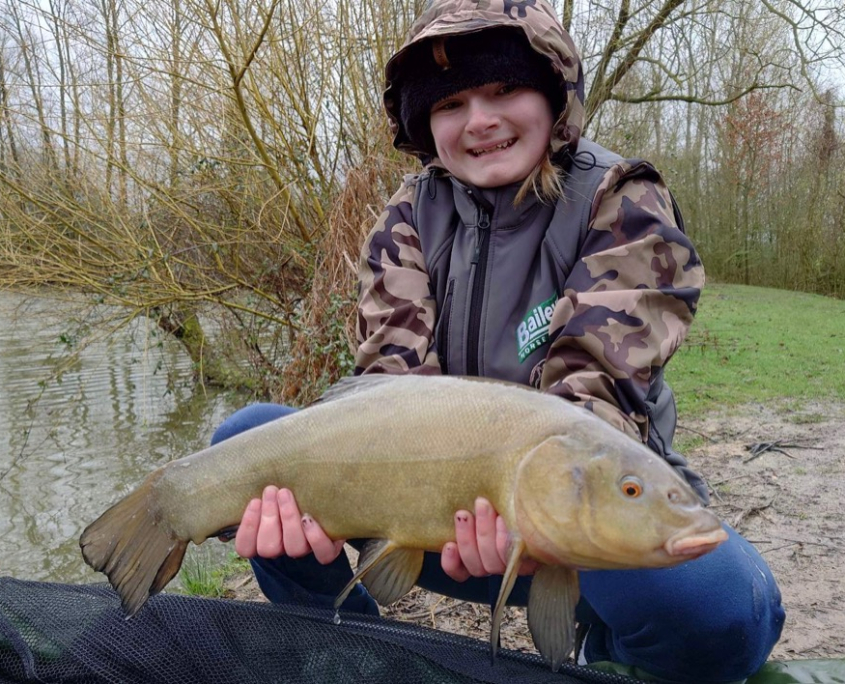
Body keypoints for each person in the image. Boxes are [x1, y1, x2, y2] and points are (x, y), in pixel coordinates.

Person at [212, 1, 785, 680]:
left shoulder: (621, 200)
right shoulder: (407, 216)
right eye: (450, 103)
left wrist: (533, 513)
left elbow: (593, 398)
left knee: (724, 610)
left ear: (553, 98)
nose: (479, 120)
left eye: (505, 89)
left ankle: (606, 655)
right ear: (425, 125)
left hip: (585, 514)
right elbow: (391, 397)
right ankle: (353, 653)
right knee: (247, 442)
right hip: (432, 516)